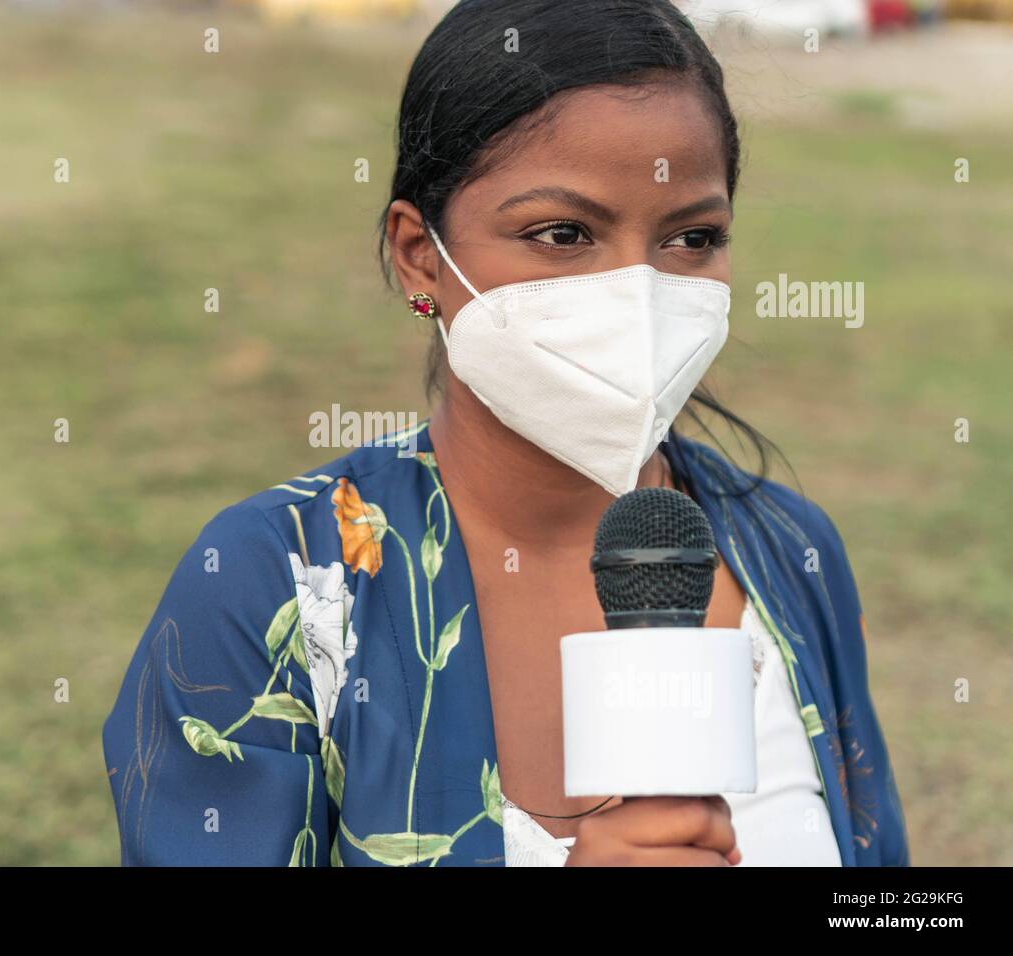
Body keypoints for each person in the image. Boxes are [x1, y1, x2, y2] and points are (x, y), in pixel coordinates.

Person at [102, 0, 909, 866]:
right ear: (420, 255)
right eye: (562, 234)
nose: (636, 294)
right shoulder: (277, 586)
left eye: (691, 237)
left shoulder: (790, 553)